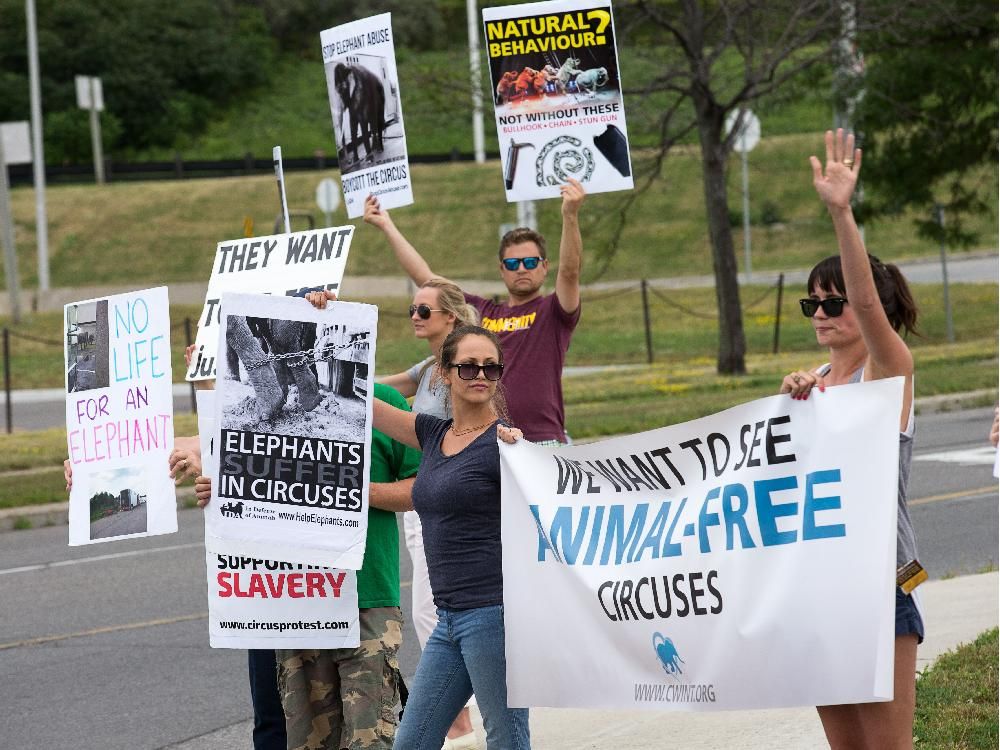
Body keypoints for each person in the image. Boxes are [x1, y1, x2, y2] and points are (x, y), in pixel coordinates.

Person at [780, 129, 923, 750]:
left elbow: (865, 302)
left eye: (831, 302)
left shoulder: (889, 369)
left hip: (880, 580)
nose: (819, 313)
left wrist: (841, 212)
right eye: (810, 303)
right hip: (816, 583)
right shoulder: (807, 383)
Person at [196, 382, 421, 750]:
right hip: (294, 600)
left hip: (367, 597)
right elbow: (233, 480)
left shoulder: (382, 402)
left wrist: (351, 490)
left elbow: (420, 487)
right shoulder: (259, 404)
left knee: (370, 739)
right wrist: (215, 491)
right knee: (308, 741)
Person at [308, 280, 482, 748]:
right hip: (423, 500)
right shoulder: (426, 370)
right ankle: (456, 716)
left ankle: (460, 716)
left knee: (438, 610)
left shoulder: (468, 370)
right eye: (413, 308)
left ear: (450, 316)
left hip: (449, 501)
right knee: (434, 614)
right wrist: (328, 328)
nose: (415, 316)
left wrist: (358, 490)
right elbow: (366, 392)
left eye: (424, 310)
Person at [366, 325, 526, 750]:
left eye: (491, 368)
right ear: (443, 373)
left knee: (506, 739)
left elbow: (551, 495)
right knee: (412, 742)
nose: (480, 375)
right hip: (449, 620)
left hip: (495, 616)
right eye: (468, 366)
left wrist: (522, 453)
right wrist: (321, 320)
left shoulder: (506, 445)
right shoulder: (434, 435)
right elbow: (356, 399)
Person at [363, 177, 586, 445]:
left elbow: (570, 272)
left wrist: (570, 214)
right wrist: (387, 225)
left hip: (541, 439)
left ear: (545, 266)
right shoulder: (483, 313)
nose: (522, 268)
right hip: (488, 441)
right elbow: (427, 280)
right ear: (502, 269)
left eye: (530, 262)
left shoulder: (553, 311)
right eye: (513, 263)